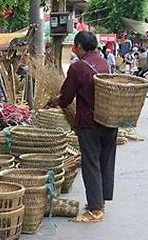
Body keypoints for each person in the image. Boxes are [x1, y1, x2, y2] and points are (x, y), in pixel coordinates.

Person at [50, 31, 116, 223]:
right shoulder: (104, 63)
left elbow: (66, 98)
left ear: (79, 46)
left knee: (91, 164)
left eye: (74, 47)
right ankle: (100, 201)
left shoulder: (78, 67)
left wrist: (56, 100)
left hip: (89, 123)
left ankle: (95, 210)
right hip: (109, 120)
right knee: (105, 161)